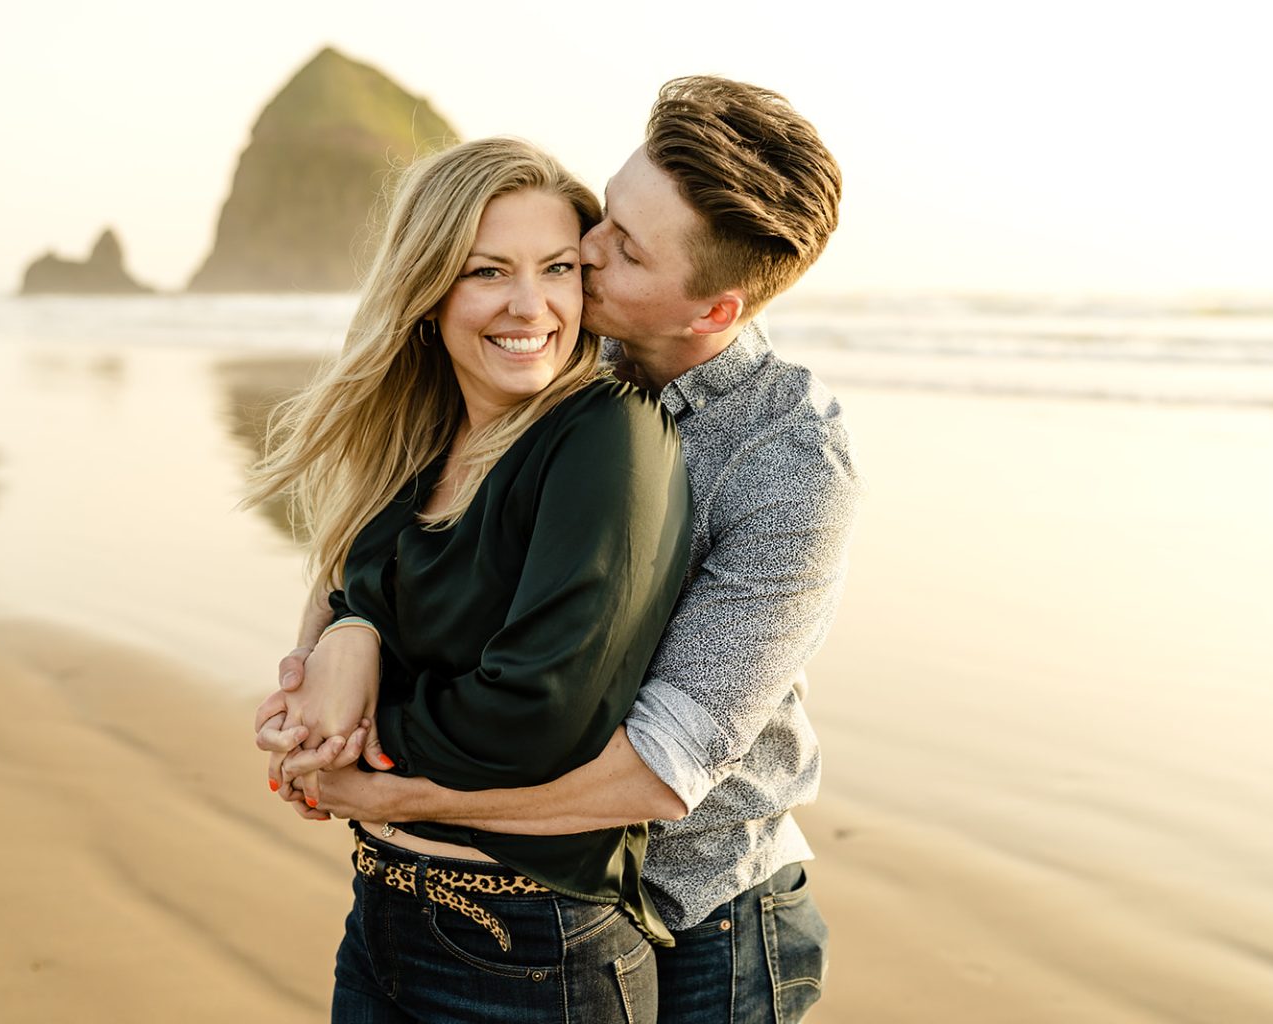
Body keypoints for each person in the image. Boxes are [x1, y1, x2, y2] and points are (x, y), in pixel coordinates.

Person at [261, 76, 858, 1023]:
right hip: (504, 891)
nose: (586, 250)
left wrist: (380, 787)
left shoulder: (790, 464)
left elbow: (655, 775)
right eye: (607, 212)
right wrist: (333, 655)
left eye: (626, 250)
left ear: (712, 310)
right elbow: (385, 536)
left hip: (707, 912)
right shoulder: (551, 342)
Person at [244, 136, 692, 1022]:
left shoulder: (606, 433)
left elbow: (538, 712)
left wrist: (349, 746)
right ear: (429, 292)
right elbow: (359, 591)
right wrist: (346, 640)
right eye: (488, 271)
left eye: (557, 268)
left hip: (534, 951)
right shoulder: (418, 441)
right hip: (381, 913)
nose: (531, 305)